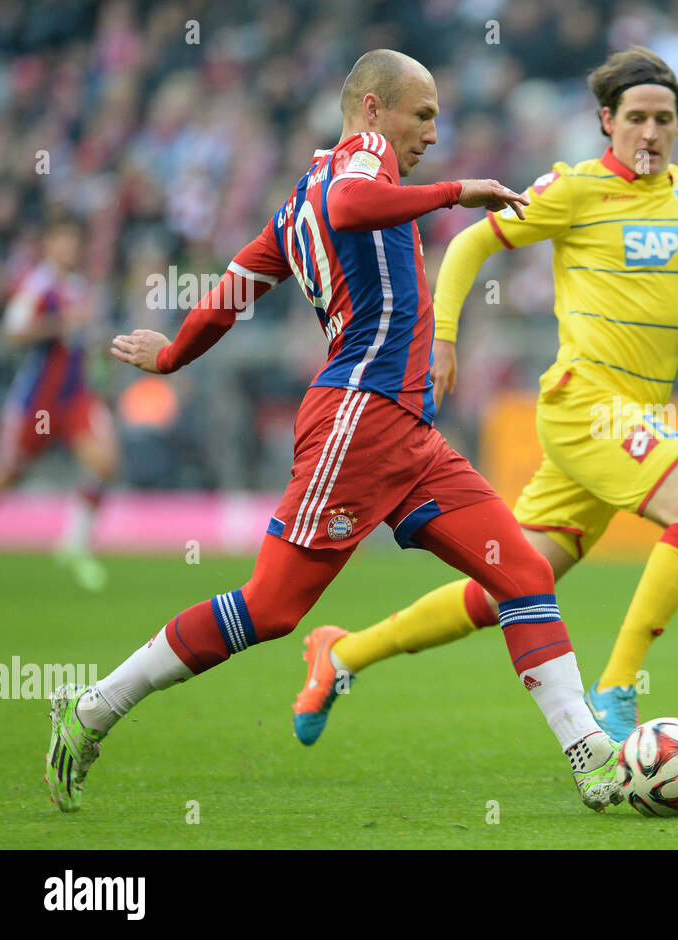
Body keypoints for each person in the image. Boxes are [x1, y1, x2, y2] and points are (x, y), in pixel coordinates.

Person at [46, 49, 624, 815]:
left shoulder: (295, 206)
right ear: (374, 108)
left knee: (521, 572)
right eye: (423, 115)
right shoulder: (362, 163)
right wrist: (456, 194)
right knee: (272, 609)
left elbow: (233, 288)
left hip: (405, 431)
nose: (430, 134)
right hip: (357, 420)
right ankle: (93, 710)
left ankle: (591, 756)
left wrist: (176, 352)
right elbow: (352, 209)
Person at [293, 46, 678, 744]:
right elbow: (470, 243)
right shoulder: (574, 189)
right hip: (584, 407)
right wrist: (443, 336)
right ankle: (618, 688)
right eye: (636, 118)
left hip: (629, 422)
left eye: (663, 119)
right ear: (607, 120)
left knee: (505, 584)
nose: (649, 132)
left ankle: (342, 653)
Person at [0, 219, 118, 591]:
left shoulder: (80, 287)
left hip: (76, 396)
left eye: (73, 241)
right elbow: (13, 331)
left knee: (105, 462)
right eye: (61, 240)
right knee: (7, 476)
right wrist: (58, 323)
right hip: (39, 403)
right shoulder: (39, 285)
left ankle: (74, 545)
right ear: (48, 245)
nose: (68, 248)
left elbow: (84, 339)